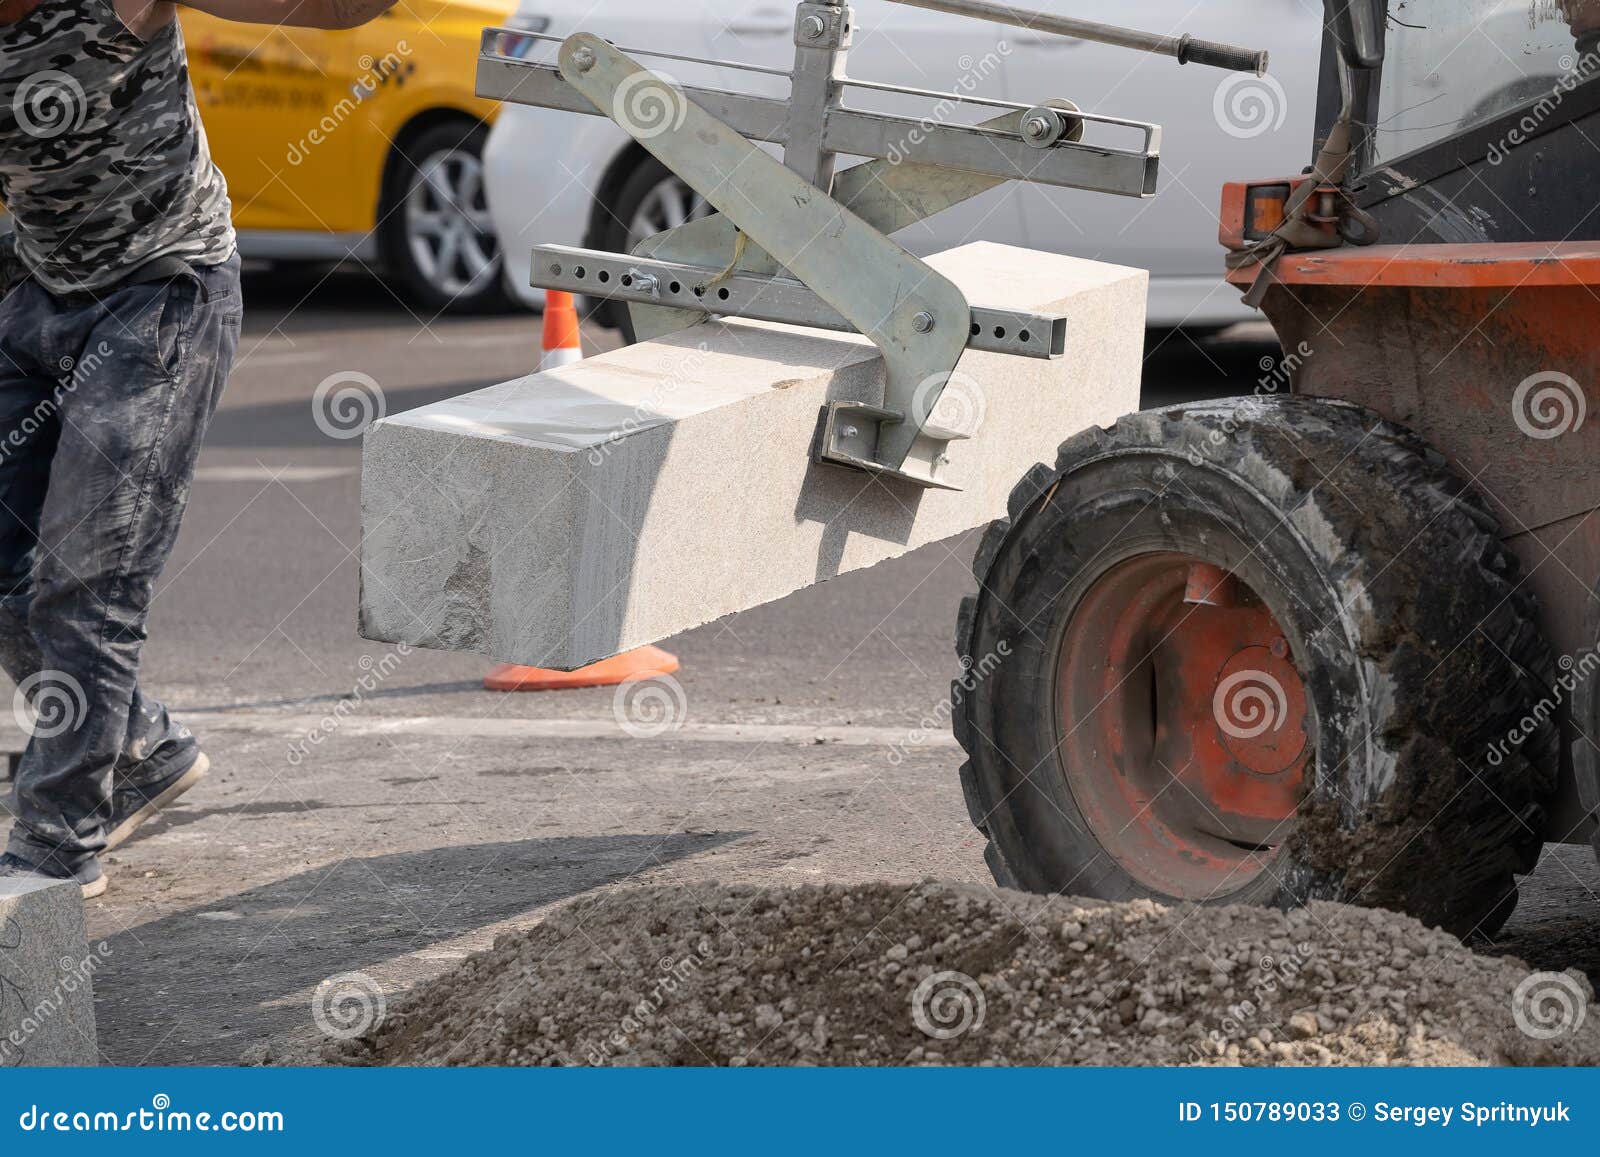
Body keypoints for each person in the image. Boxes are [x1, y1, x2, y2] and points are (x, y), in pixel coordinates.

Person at [0, 0, 402, 898]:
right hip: (36, 287)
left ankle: (57, 845)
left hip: (161, 293)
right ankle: (137, 748)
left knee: (88, 575)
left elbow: (329, 9)